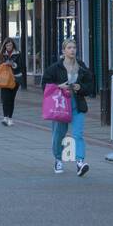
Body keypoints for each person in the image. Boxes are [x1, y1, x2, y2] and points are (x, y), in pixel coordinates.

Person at [41, 38, 95, 176]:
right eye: (69, 48)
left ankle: (80, 163)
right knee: (58, 135)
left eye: (74, 47)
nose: (72, 50)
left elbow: (90, 85)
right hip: (60, 106)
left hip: (77, 105)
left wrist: (80, 87)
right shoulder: (55, 68)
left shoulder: (81, 66)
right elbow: (45, 85)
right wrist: (59, 87)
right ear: (63, 50)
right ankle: (58, 159)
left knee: (78, 135)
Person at [0, 38, 23, 127]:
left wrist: (13, 65)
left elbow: (22, 66)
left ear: (13, 45)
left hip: (15, 79)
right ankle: (5, 117)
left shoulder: (18, 54)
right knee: (5, 99)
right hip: (4, 79)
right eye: (7, 45)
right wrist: (4, 64)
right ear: (4, 46)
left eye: (10, 45)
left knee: (11, 99)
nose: (9, 47)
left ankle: (10, 118)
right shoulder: (2, 55)